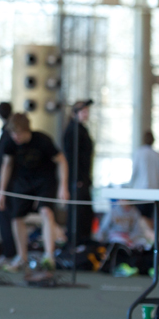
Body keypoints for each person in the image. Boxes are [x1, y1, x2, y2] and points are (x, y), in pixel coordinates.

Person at [0, 113, 69, 272]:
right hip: (22, 182)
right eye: (13, 133)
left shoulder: (43, 140)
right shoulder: (10, 142)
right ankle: (22, 257)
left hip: (45, 181)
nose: (16, 137)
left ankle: (49, 257)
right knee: (16, 217)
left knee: (46, 212)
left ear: (27, 130)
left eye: (19, 133)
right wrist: (1, 192)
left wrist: (63, 186)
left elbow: (62, 161)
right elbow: (6, 166)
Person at [63, 99, 94, 247]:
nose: (86, 114)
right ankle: (76, 244)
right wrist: (77, 178)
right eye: (83, 111)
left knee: (86, 213)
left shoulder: (82, 129)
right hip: (77, 179)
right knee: (78, 214)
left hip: (83, 178)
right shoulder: (72, 131)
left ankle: (84, 243)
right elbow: (71, 158)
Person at [0, 102, 17, 261]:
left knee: (6, 216)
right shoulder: (5, 131)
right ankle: (10, 252)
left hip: (9, 182)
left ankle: (10, 253)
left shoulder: (10, 132)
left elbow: (7, 163)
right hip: (4, 180)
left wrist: (1, 190)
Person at [128, 130, 159, 223]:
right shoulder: (158, 156)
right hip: (154, 192)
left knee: (140, 220)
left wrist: (129, 187)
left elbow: (134, 172)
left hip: (140, 192)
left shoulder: (139, 153)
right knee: (150, 219)